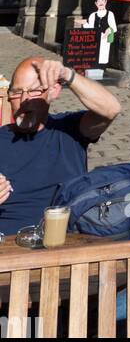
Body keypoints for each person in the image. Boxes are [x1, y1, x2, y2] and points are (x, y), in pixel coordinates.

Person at [0, 55, 121, 236]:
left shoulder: (69, 130)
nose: (24, 99)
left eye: (34, 91)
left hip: (68, 244)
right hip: (12, 249)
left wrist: (67, 74)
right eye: (17, 92)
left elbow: (111, 108)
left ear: (54, 91)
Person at [86, 0, 118, 68]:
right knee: (94, 54)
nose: (101, 3)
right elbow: (90, 28)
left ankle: (102, 68)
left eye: (102, 1)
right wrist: (85, 24)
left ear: (106, 2)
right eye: (99, 1)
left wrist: (109, 31)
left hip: (105, 39)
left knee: (103, 55)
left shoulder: (110, 14)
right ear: (96, 4)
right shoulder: (92, 15)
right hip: (94, 38)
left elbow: (114, 27)